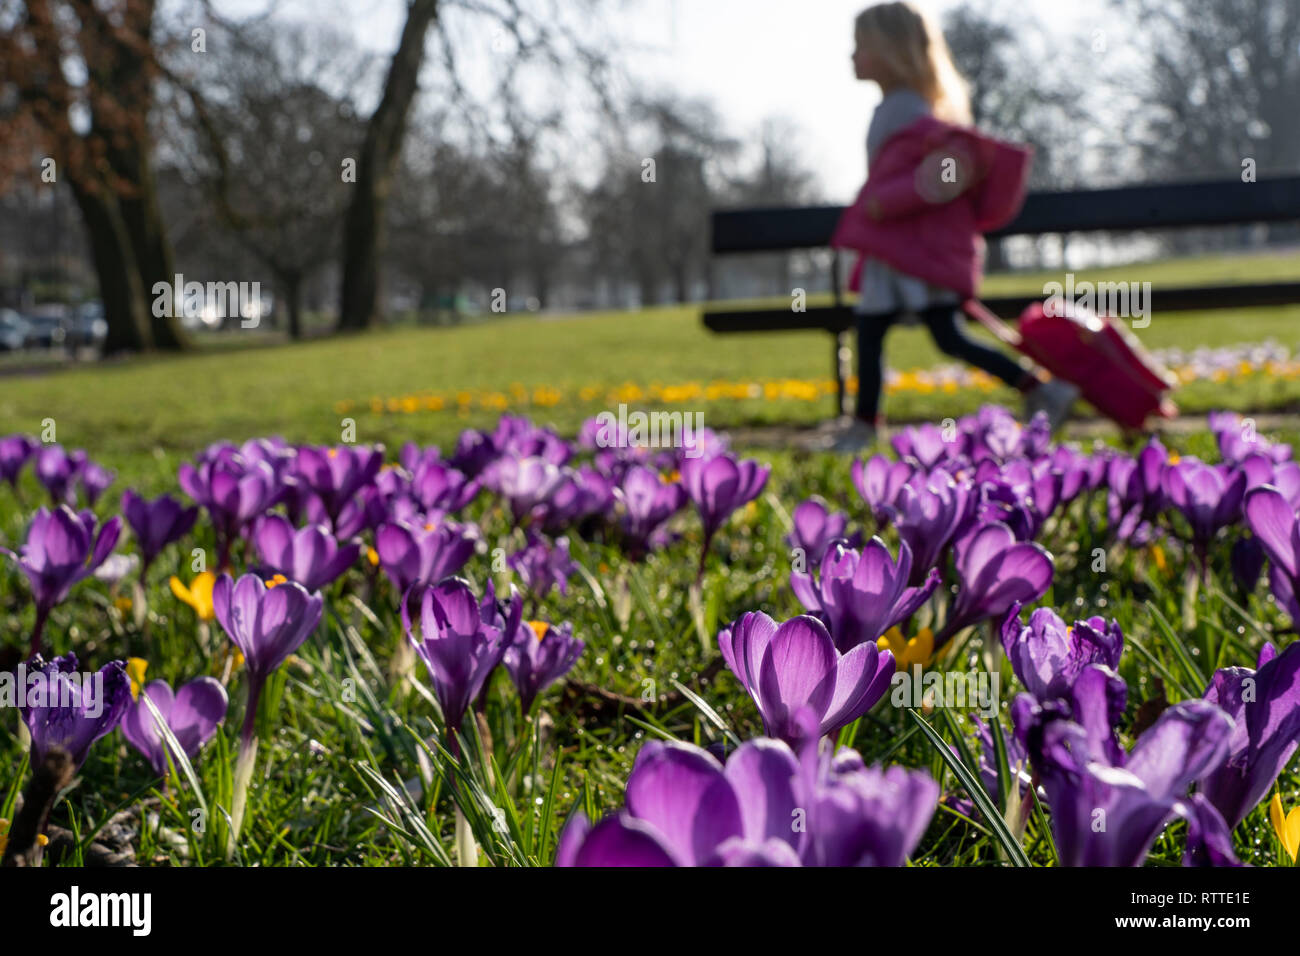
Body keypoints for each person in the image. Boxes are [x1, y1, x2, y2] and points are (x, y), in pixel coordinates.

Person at [825, 1, 1078, 452]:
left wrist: (890, 201)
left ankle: (1038, 390)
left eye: (860, 47)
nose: (851, 57)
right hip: (900, 251)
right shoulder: (899, 108)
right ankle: (1037, 390)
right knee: (895, 332)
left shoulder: (906, 111)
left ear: (891, 51)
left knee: (932, 335)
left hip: (910, 253)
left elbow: (948, 173)